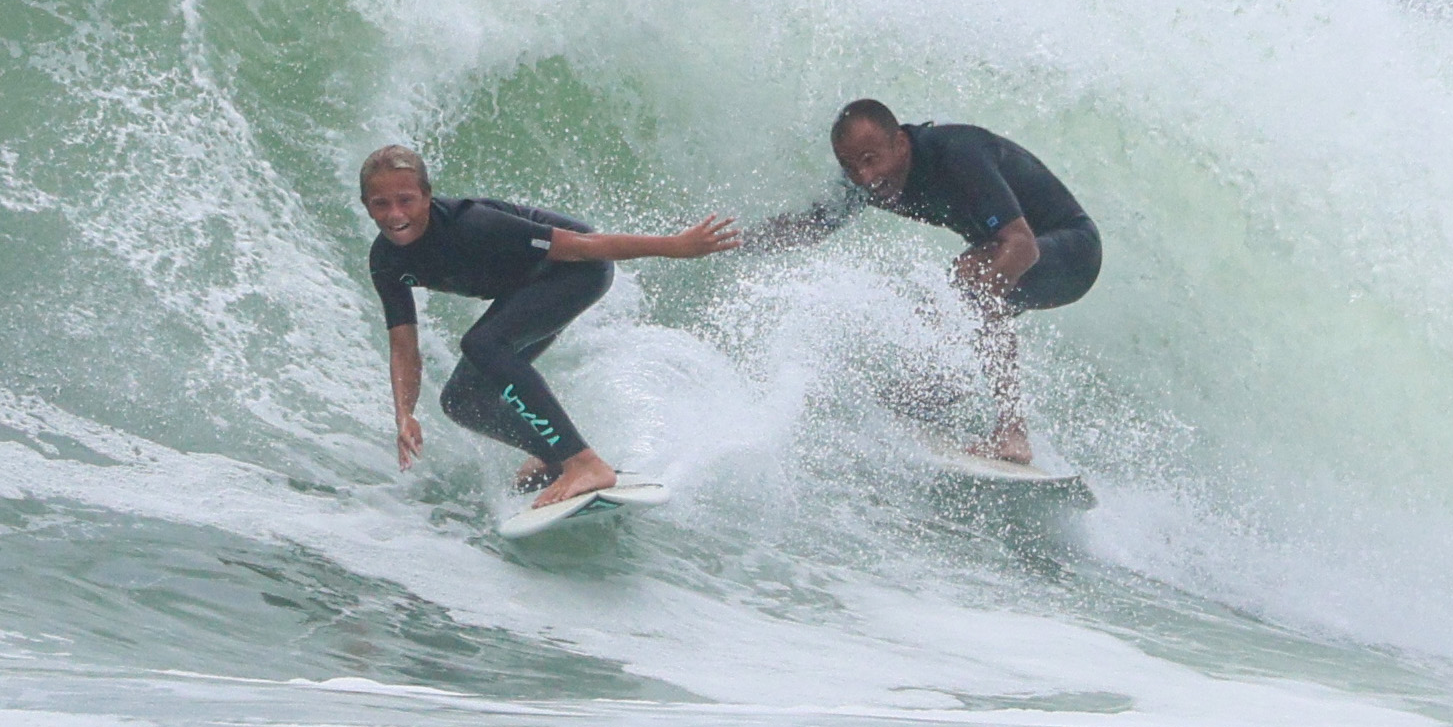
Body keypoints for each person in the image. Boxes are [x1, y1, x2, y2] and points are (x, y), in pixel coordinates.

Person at [359, 144, 738, 510]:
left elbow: (583, 246)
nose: (395, 214)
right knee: (462, 400)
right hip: (526, 290)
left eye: (406, 199)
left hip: (577, 270)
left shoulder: (472, 224)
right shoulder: (386, 260)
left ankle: (583, 463)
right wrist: (404, 414)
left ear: (427, 196)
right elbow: (404, 345)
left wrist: (674, 246)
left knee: (483, 344)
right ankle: (555, 459)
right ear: (367, 206)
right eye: (381, 204)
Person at [749, 101, 1099, 467]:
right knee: (958, 292)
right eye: (851, 167)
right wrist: (740, 243)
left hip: (1074, 252)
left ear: (900, 143)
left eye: (870, 160)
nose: (865, 177)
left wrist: (967, 317)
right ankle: (938, 392)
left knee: (970, 277)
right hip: (1019, 253)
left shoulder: (956, 154)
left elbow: (1021, 245)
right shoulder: (867, 180)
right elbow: (814, 224)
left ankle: (1012, 432)